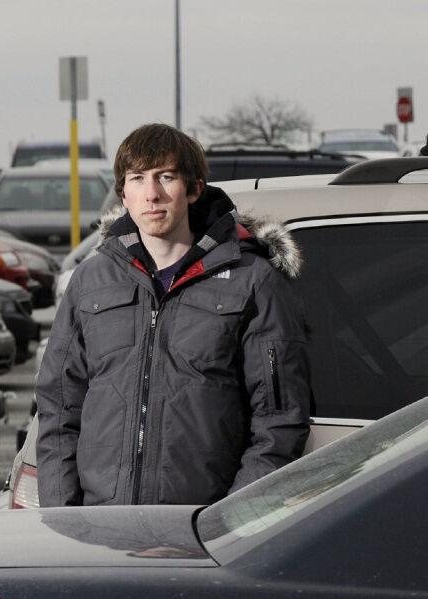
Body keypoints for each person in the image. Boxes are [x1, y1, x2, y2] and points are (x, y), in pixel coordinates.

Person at [35, 123, 310, 507]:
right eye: (138, 179)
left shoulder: (252, 281)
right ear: (123, 194)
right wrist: (63, 515)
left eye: (167, 177)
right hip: (99, 529)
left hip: (201, 528)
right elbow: (58, 408)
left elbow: (279, 419)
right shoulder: (90, 281)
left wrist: (233, 519)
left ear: (195, 189)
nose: (152, 194)